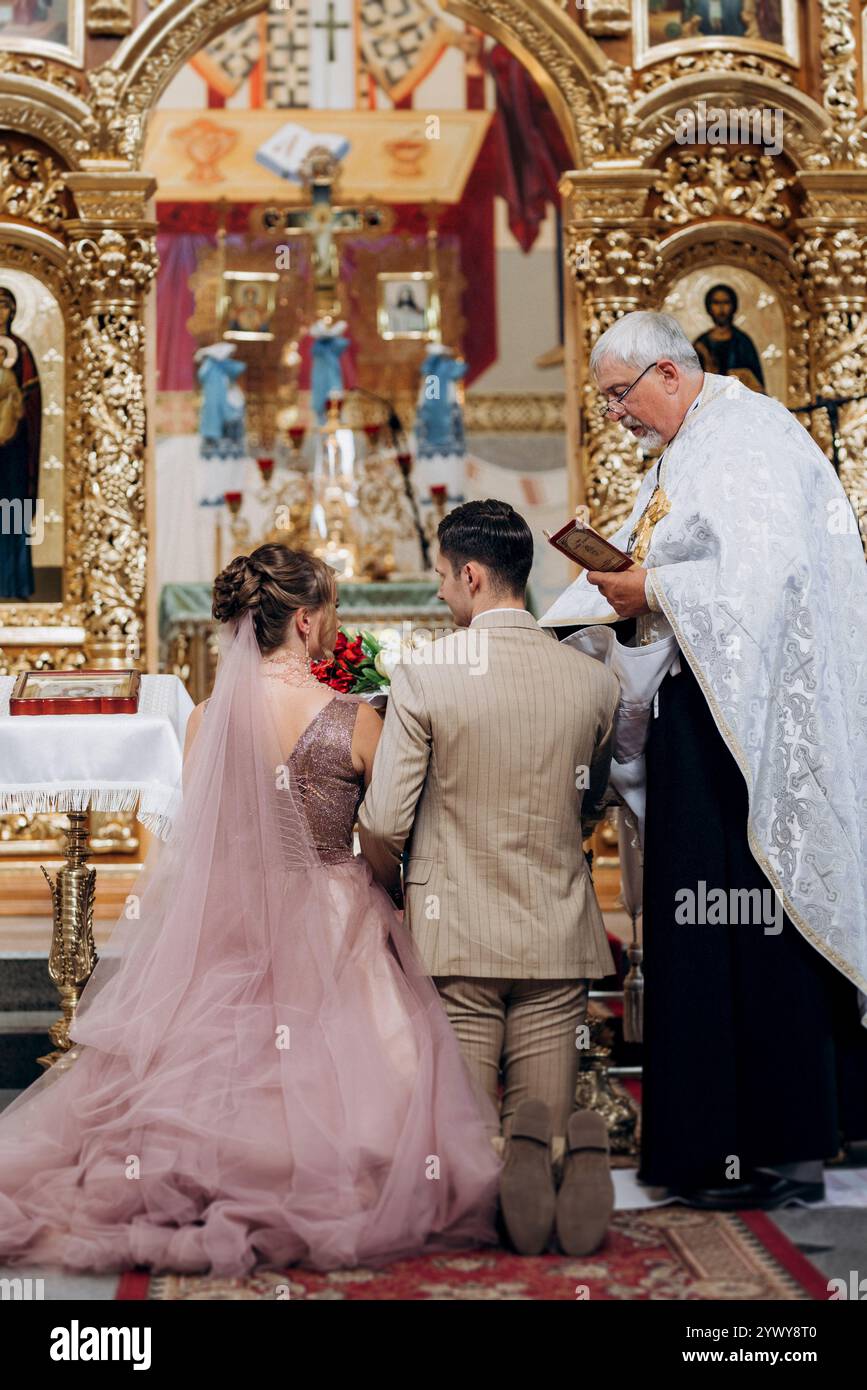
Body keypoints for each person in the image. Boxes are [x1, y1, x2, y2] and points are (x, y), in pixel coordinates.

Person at [0, 543, 501, 1275]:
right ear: (302, 619)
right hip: (333, 910)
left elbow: (208, 832)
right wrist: (389, 889)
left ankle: (204, 1164)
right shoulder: (353, 717)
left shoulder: (205, 718)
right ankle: (333, 1170)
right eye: (325, 613)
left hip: (230, 910)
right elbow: (388, 827)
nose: (329, 627)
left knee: (215, 1045)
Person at [539, 310, 867, 1211]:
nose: (616, 415)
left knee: (742, 923)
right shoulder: (690, 446)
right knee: (705, 923)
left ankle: (764, 1151)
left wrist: (648, 587)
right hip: (706, 712)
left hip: (745, 727)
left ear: (668, 373)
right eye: (606, 400)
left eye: (619, 395)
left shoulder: (747, 438)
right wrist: (574, 612)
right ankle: (724, 1140)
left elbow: (766, 578)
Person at [359, 500, 620, 1257]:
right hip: (555, 932)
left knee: (464, 1152)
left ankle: (498, 1187)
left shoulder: (425, 675)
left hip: (456, 933)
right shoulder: (592, 682)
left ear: (471, 574)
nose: (440, 592)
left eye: (442, 577)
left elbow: (382, 820)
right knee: (535, 1116)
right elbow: (590, 799)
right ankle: (555, 1159)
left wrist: (395, 886)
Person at [0, 287, 41, 599]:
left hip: (13, 446)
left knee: (12, 512)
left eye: (4, 307)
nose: (0, 312)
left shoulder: (22, 351)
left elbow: (33, 399)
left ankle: (15, 583)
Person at [693, 284, 765, 393]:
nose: (721, 309)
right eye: (716, 303)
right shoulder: (701, 344)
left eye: (726, 303)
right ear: (709, 307)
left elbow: (757, 386)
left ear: (733, 306)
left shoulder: (743, 342)